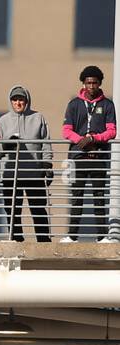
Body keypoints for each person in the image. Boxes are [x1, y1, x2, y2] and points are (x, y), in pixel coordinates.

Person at [62, 65, 118, 243]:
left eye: (95, 83)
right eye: (88, 83)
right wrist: (82, 141)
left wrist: (93, 139)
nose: (91, 86)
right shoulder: (74, 104)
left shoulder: (107, 104)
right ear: (83, 84)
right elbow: (66, 131)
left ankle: (102, 237)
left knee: (99, 198)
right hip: (78, 158)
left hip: (99, 157)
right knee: (77, 198)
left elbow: (112, 131)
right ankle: (72, 236)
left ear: (100, 83)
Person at [0, 84, 51, 242]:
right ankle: (16, 242)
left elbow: (46, 143)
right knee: (12, 212)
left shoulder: (38, 117)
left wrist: (47, 165)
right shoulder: (3, 121)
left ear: (27, 101)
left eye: (21, 99)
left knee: (38, 210)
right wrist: (6, 144)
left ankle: (43, 243)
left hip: (34, 174)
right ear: (10, 101)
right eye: (15, 100)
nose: (18, 103)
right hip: (10, 176)